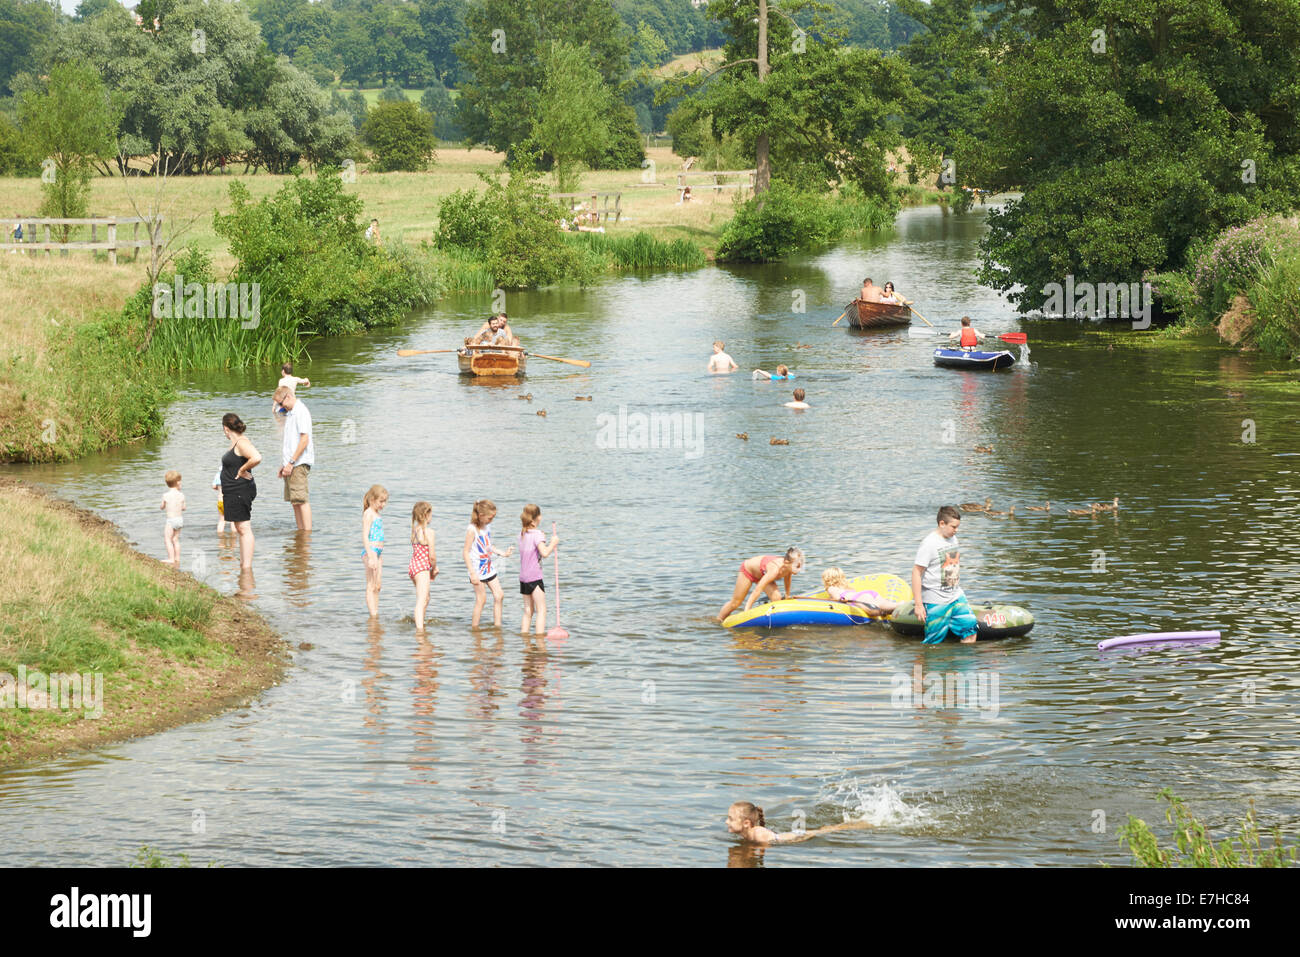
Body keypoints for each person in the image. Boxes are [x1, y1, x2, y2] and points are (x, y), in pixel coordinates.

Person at [911, 506, 979, 644]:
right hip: (936, 600)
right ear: (942, 524)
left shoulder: (953, 539)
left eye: (957, 527)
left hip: (956, 596)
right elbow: (916, 572)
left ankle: (961, 664)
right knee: (933, 643)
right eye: (953, 527)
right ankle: (918, 666)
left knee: (970, 630)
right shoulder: (929, 544)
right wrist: (918, 605)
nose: (956, 530)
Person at [726, 801, 875, 845]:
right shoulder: (749, 833)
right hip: (792, 834)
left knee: (829, 830)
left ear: (746, 823)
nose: (727, 821)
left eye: (730, 819)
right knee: (825, 829)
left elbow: (763, 852)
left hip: (796, 836)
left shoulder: (758, 834)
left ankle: (861, 823)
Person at [464, 499, 514, 629]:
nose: (491, 520)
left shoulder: (487, 527)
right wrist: (472, 573)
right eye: (490, 518)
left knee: (499, 595)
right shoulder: (472, 530)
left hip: (488, 567)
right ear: (481, 516)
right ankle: (475, 629)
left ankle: (497, 627)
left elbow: (488, 546)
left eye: (493, 518)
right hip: (476, 569)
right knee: (482, 599)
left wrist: (502, 553)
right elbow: (465, 552)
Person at [220, 413, 261, 570]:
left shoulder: (241, 443)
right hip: (233, 491)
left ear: (226, 429)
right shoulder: (236, 443)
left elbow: (256, 457)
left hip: (240, 490)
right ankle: (244, 564)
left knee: (244, 528)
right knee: (239, 528)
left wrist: (243, 469)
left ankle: (247, 567)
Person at [717, 548, 804, 622]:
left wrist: (787, 595)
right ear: (786, 562)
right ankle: (719, 620)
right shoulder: (775, 570)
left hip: (762, 574)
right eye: (797, 565)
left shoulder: (788, 568)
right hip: (748, 571)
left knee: (777, 598)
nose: (798, 568)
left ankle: (771, 621)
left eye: (800, 565)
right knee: (735, 603)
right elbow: (757, 590)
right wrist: (747, 610)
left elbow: (787, 578)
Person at [274, 386, 314, 531]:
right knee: (294, 501)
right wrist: (284, 464)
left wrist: (291, 462)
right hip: (291, 464)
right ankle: (300, 532)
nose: (280, 406)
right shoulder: (290, 413)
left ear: (289, 397)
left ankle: (306, 535)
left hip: (299, 462)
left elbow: (304, 440)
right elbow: (290, 442)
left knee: (301, 500)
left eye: (281, 403)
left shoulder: (301, 411)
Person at [517, 504, 558, 636]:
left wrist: (541, 537)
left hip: (523, 577)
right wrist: (553, 543)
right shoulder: (538, 534)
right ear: (537, 518)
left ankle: (524, 636)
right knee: (541, 610)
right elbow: (544, 553)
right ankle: (540, 638)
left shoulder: (522, 534)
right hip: (534, 577)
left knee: (528, 610)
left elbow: (532, 547)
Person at [408, 501, 438, 631]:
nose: (432, 517)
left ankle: (420, 622)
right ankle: (420, 631)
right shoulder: (429, 532)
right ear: (426, 515)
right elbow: (431, 556)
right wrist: (434, 568)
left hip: (413, 566)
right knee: (421, 600)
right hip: (422, 568)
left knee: (426, 597)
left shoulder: (415, 530)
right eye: (431, 514)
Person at [820, 567, 900, 615]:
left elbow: (837, 598)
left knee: (875, 610)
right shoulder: (846, 587)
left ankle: (899, 605)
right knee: (884, 605)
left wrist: (835, 600)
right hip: (867, 594)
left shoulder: (831, 588)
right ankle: (899, 606)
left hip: (858, 598)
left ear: (827, 579)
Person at [362, 485, 388, 617]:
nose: (383, 504)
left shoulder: (377, 514)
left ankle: (376, 611)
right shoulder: (368, 514)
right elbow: (365, 536)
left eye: (385, 501)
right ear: (372, 500)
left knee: (378, 585)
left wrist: (378, 556)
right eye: (381, 501)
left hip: (378, 553)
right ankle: (373, 615)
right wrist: (371, 556)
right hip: (370, 551)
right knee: (371, 584)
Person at [160, 470, 186, 564]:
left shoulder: (165, 495)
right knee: (175, 539)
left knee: (167, 539)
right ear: (178, 483)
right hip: (179, 520)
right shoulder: (181, 495)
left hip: (171, 521)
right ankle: (177, 558)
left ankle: (171, 558)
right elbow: (184, 508)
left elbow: (162, 507)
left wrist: (163, 506)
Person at [212, 469, 226, 534]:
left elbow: (214, 486)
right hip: (230, 501)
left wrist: (220, 488)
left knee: (221, 521)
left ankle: (220, 538)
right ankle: (234, 539)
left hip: (220, 501)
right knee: (233, 521)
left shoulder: (218, 474)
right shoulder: (232, 474)